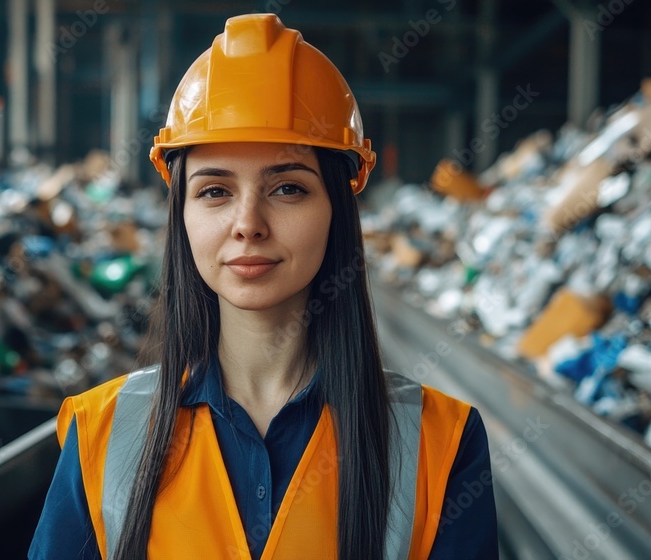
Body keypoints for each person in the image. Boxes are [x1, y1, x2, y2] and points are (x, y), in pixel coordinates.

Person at [28, 13, 497, 560]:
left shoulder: (439, 440)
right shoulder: (100, 433)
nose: (248, 222)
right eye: (214, 192)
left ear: (336, 211)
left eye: (288, 188)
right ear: (181, 214)